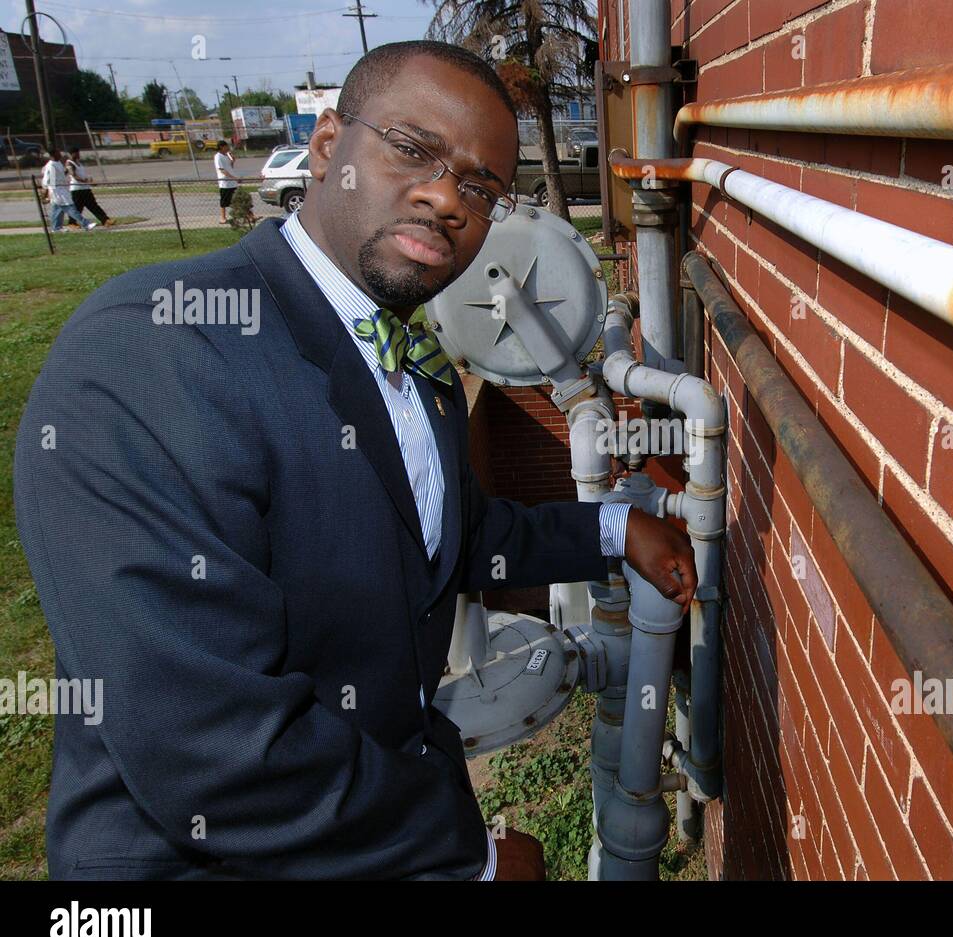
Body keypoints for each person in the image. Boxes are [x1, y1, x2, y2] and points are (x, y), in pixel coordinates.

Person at [14, 41, 697, 881]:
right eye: (414, 150)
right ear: (329, 145)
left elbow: (455, 538)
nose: (447, 196)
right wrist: (471, 860)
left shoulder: (423, 370)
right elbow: (212, 750)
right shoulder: (154, 350)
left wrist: (617, 526)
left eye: (481, 186)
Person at [40, 148, 96, 232]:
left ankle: (56, 228)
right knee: (70, 207)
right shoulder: (51, 166)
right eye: (58, 152)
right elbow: (50, 182)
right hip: (57, 191)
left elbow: (62, 174)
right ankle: (86, 224)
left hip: (62, 189)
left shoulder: (58, 163)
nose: (61, 154)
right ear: (53, 154)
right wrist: (46, 195)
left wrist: (67, 170)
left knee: (57, 210)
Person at [66, 148, 113, 227]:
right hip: (76, 189)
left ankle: (105, 220)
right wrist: (87, 181)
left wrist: (89, 180)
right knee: (77, 207)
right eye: (77, 153)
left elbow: (82, 174)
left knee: (93, 205)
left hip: (85, 188)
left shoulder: (78, 163)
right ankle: (72, 223)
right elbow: (74, 176)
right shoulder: (69, 163)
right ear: (72, 153)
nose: (79, 155)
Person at [214, 139, 238, 223]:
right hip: (225, 183)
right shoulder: (218, 156)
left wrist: (232, 161)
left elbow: (230, 167)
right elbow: (222, 170)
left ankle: (249, 216)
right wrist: (233, 177)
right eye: (226, 146)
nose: (227, 148)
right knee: (224, 201)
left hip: (232, 183)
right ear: (221, 147)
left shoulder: (226, 155)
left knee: (237, 200)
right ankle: (223, 218)